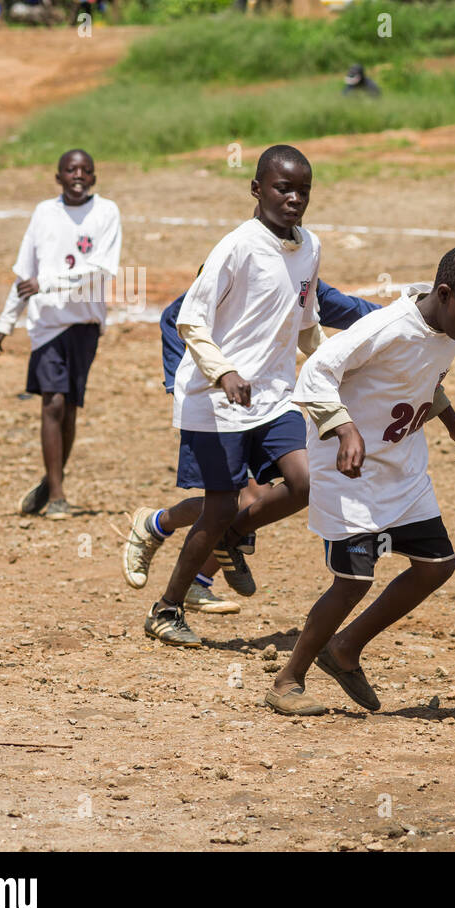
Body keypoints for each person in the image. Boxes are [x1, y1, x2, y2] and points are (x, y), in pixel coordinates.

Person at [265, 245, 455, 716]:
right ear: (444, 292)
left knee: (437, 565)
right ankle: (288, 678)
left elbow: (426, 382)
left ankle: (345, 648)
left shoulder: (451, 327)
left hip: (402, 468)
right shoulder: (387, 328)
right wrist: (344, 428)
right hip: (348, 469)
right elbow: (316, 371)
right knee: (353, 581)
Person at [143, 144, 322, 649]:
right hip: (214, 399)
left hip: (275, 395)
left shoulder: (309, 248)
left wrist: (336, 368)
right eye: (283, 188)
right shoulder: (236, 247)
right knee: (219, 507)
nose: (293, 199)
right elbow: (190, 320)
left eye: (302, 190)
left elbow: (306, 327)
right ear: (257, 188)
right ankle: (167, 608)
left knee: (306, 481)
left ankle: (227, 539)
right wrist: (223, 373)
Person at [123, 276, 379, 615]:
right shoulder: (241, 270)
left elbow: (344, 308)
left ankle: (195, 575)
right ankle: (159, 527)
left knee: (257, 500)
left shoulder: (300, 272)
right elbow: (176, 316)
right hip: (216, 399)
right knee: (235, 502)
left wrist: (403, 317)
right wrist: (178, 382)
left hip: (267, 401)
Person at [0, 149, 122, 519]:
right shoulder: (43, 213)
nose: (78, 175)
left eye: (85, 170)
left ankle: (51, 480)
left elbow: (99, 269)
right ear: (58, 176)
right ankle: (59, 495)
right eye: (70, 170)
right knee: (53, 403)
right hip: (47, 323)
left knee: (71, 411)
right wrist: (6, 320)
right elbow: (24, 272)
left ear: (94, 177)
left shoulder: (107, 213)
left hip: (85, 323)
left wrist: (46, 282)